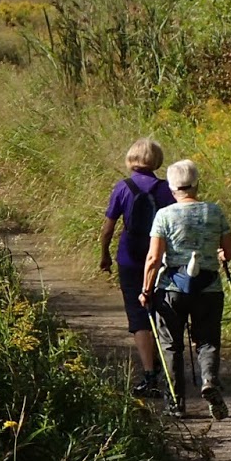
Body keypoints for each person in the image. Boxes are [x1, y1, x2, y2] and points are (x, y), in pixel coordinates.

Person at [140, 159, 231, 420]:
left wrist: (146, 290)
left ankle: (176, 402)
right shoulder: (214, 212)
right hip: (208, 288)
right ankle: (209, 380)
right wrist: (218, 253)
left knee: (171, 345)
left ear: (172, 188)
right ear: (197, 185)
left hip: (172, 288)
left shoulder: (165, 215)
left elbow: (153, 258)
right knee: (207, 340)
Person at [99, 139, 174, 397]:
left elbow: (107, 229)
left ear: (131, 160)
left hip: (130, 258)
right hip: (161, 259)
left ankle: (149, 375)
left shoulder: (123, 188)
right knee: (161, 310)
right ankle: (169, 370)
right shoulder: (166, 190)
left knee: (138, 315)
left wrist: (105, 255)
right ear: (156, 161)